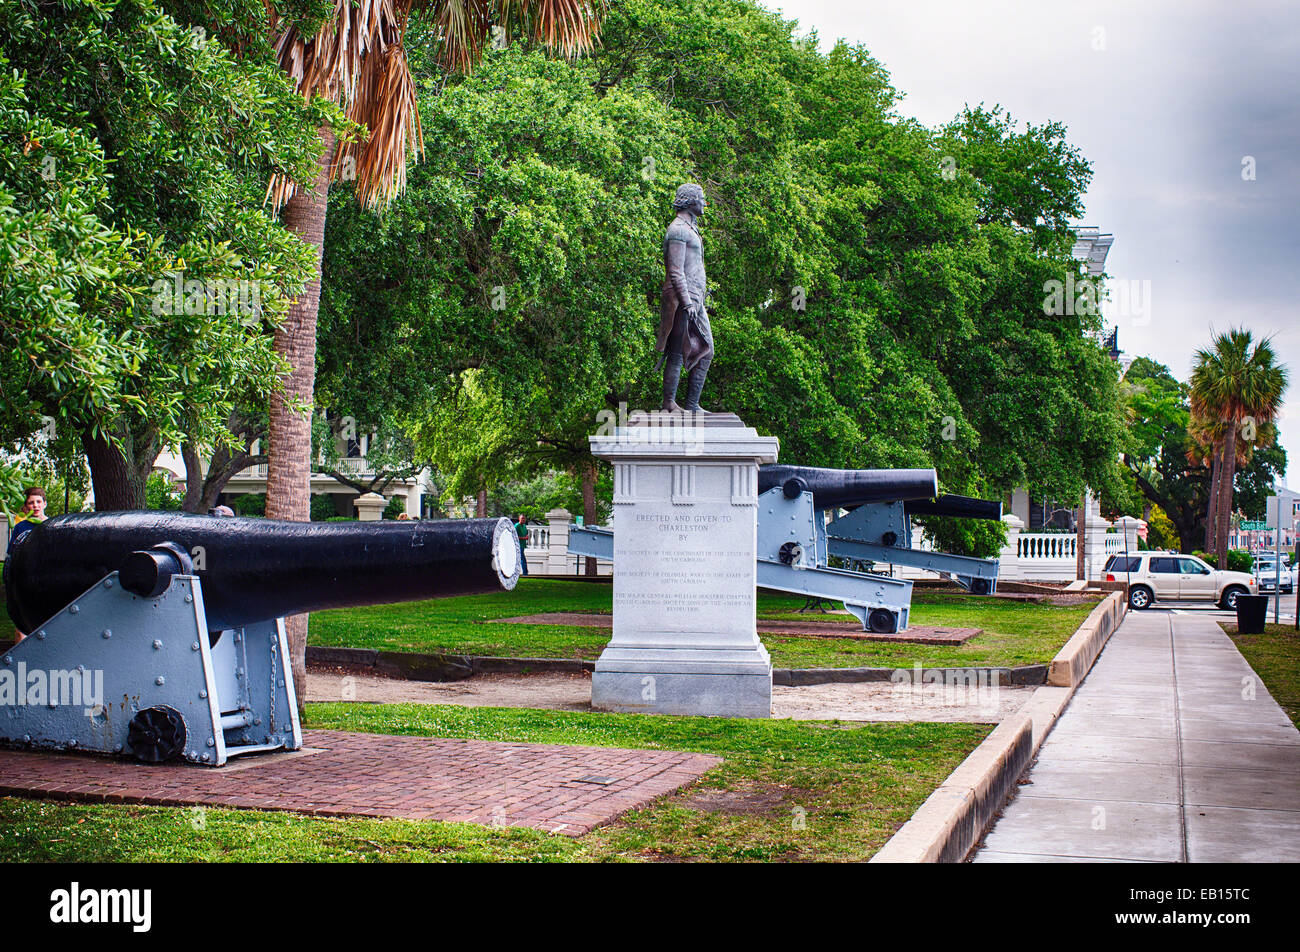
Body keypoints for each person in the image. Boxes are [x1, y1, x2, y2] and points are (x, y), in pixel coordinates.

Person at [656, 183, 715, 413]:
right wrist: (688, 302)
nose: (703, 203)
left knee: (704, 350)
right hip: (684, 299)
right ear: (690, 201)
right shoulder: (678, 230)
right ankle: (670, 404)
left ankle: (690, 405)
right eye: (701, 199)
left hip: (694, 298)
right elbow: (675, 270)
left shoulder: (690, 228)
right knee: (679, 350)